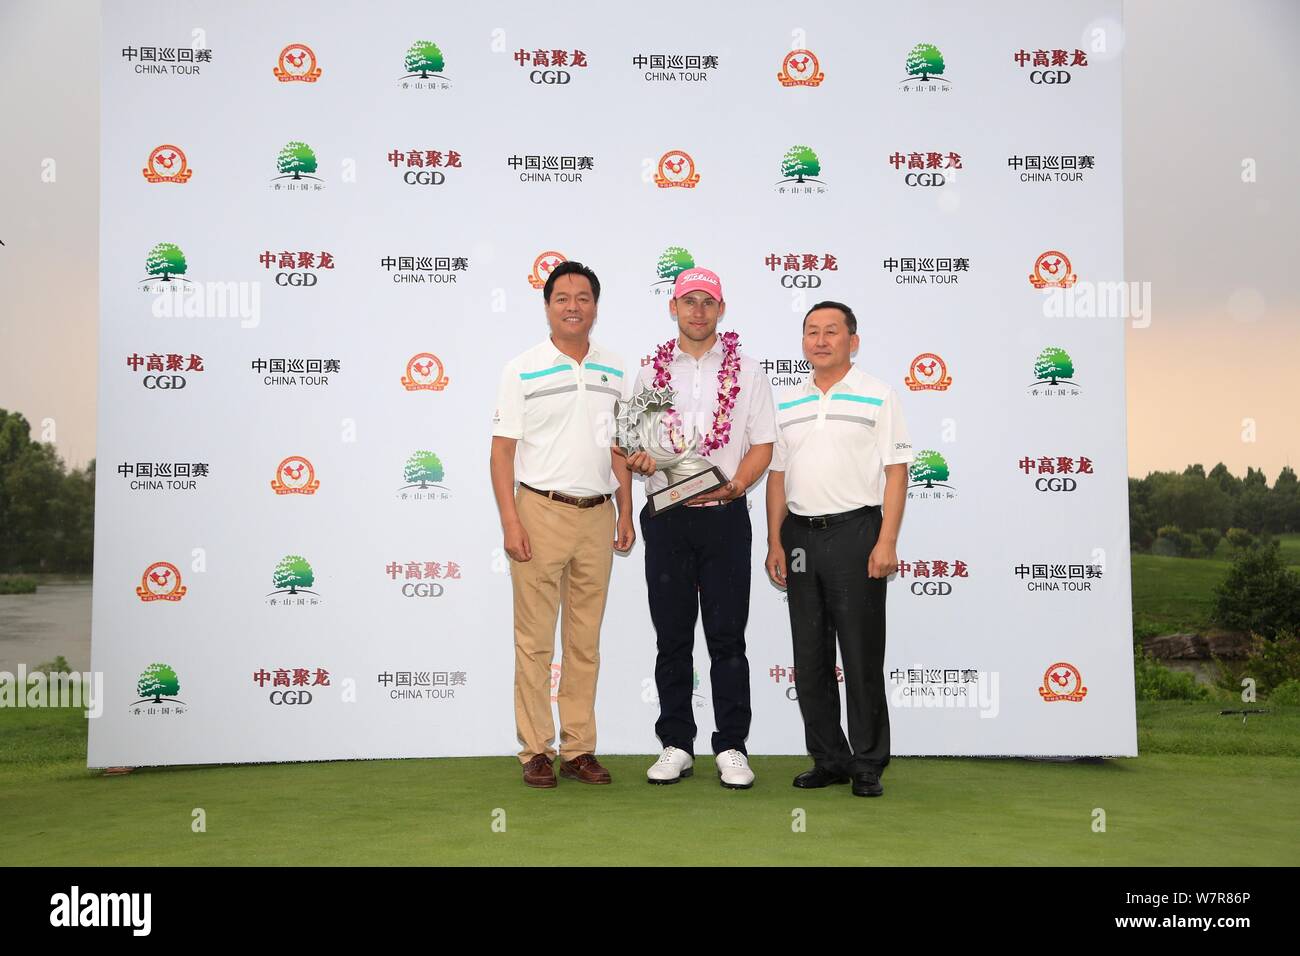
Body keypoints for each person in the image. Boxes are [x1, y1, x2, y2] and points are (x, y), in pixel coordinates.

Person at [622, 268, 776, 789]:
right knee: (672, 637)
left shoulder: (748, 372)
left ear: (721, 309)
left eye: (707, 302)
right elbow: (633, 441)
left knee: (727, 637)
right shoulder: (650, 372)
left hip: (724, 517)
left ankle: (731, 746)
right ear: (673, 307)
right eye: (688, 301)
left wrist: (737, 486)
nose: (698, 311)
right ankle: (676, 744)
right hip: (666, 518)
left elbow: (762, 444)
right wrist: (640, 459)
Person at [490, 261, 636, 788]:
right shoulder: (522, 368)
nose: (573, 307)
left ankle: (578, 749)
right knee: (534, 641)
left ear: (596, 306)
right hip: (539, 511)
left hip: (598, 515)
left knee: (584, 641)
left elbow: (620, 446)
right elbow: (501, 452)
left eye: (583, 298)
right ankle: (535, 750)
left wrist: (625, 508)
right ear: (547, 305)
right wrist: (511, 521)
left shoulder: (617, 369)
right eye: (563, 298)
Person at [764, 301, 912, 798]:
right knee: (809, 655)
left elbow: (896, 472)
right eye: (812, 331)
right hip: (800, 537)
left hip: (857, 533)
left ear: (853, 340)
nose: (821, 340)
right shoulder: (788, 402)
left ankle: (868, 762)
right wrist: (775, 540)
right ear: (803, 342)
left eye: (832, 331)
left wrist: (886, 540)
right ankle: (828, 758)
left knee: (860, 653)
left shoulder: (878, 395)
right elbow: (778, 475)